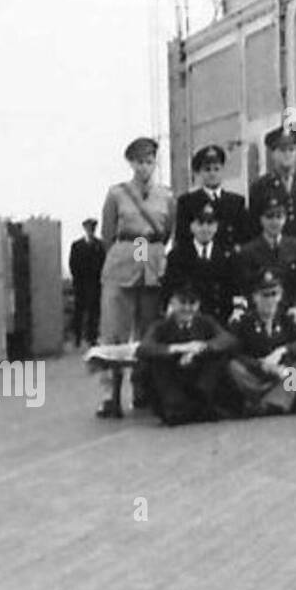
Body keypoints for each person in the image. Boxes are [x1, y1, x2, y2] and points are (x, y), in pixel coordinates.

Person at [97, 136, 175, 416]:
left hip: (152, 267)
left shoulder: (166, 196)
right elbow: (107, 234)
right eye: (140, 162)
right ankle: (110, 395)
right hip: (122, 265)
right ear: (131, 163)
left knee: (148, 330)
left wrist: (153, 256)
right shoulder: (117, 194)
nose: (145, 167)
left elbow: (167, 232)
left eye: (150, 162)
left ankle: (143, 389)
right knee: (113, 332)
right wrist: (125, 254)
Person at [133, 282, 237, 426]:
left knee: (219, 355)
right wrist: (178, 348)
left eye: (192, 303)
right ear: (173, 304)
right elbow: (144, 348)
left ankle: (203, 401)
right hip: (172, 383)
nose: (187, 308)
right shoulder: (161, 326)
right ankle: (174, 406)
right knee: (154, 360)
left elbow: (227, 339)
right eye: (182, 303)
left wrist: (201, 347)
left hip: (199, 382)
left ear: (198, 305)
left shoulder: (206, 322)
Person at [225, 267, 296, 416]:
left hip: (285, 373)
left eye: (274, 294)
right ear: (255, 297)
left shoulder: (286, 318)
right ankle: (273, 398)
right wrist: (263, 365)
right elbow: (235, 352)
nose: (270, 300)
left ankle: (271, 402)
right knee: (233, 366)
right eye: (265, 295)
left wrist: (283, 350)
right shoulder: (243, 322)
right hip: (258, 376)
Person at [234, 194, 296, 319]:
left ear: (285, 219)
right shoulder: (248, 251)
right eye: (269, 217)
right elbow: (245, 288)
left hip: (290, 312)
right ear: (261, 219)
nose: (274, 222)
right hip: (260, 313)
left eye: (279, 217)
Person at [163, 200, 237, 322]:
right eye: (200, 223)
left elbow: (233, 289)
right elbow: (170, 289)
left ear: (216, 227)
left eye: (210, 223)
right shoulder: (177, 256)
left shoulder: (227, 255)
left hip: (220, 319)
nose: (205, 228)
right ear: (192, 226)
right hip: (189, 319)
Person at [249, 126, 296, 243]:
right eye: (282, 150)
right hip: (275, 252)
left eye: (292, 149)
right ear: (273, 153)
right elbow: (254, 227)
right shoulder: (260, 187)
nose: (288, 154)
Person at [175, 144, 250, 246]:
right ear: (199, 172)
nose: (212, 174)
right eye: (207, 169)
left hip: (230, 260)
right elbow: (182, 239)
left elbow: (245, 238)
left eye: (216, 169)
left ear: (223, 170)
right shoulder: (187, 202)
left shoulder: (236, 202)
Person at [68, 218, 105, 347]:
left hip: (95, 283)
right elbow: (72, 264)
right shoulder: (77, 245)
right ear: (85, 229)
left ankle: (92, 337)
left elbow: (103, 263)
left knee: (94, 312)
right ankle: (77, 337)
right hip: (81, 283)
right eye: (89, 228)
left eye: (93, 228)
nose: (91, 230)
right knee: (79, 312)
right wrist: (76, 279)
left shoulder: (100, 245)